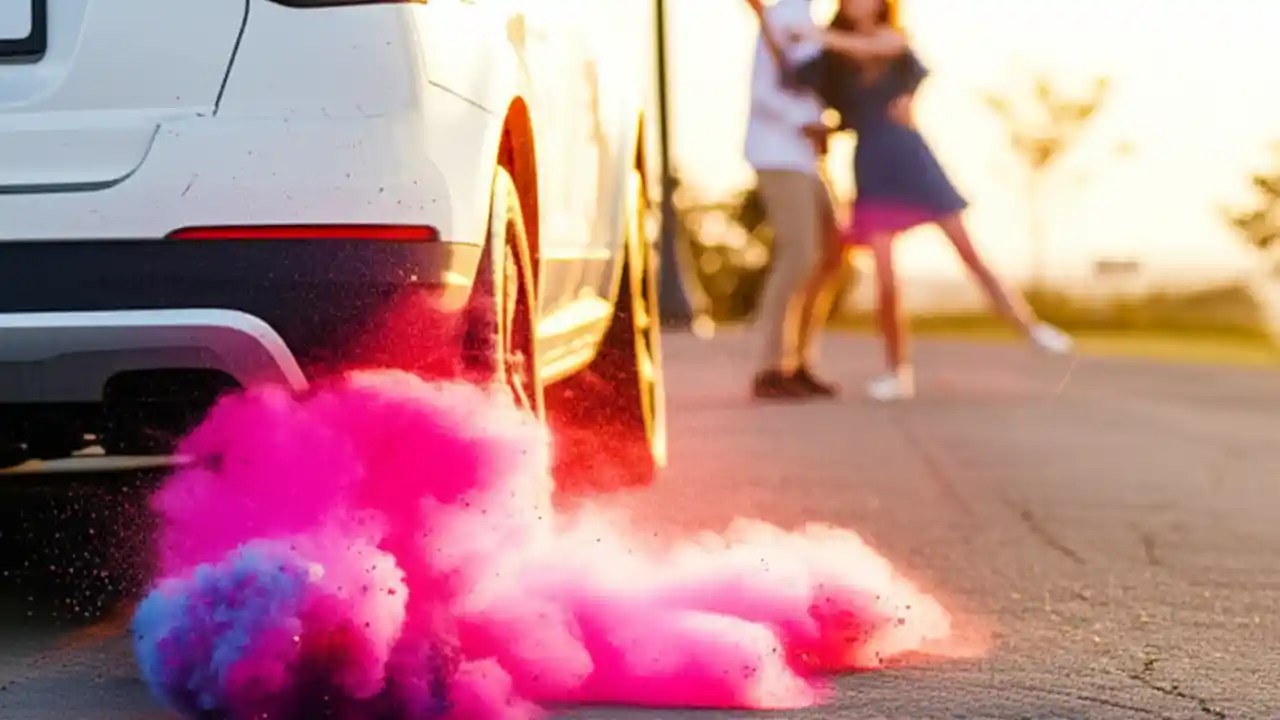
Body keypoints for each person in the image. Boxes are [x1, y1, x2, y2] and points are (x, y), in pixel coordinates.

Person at [778, 0, 1074, 401]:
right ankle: (896, 371)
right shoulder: (833, 62)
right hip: (874, 167)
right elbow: (795, 79)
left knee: (969, 252)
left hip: (912, 158)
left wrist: (816, 34)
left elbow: (883, 49)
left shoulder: (889, 41)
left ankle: (1031, 327)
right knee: (886, 278)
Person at [743, 0, 846, 400]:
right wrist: (803, 121)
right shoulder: (779, 18)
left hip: (806, 160)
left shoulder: (805, 20)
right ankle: (770, 367)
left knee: (831, 254)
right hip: (777, 154)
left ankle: (801, 360)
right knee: (799, 254)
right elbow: (763, 93)